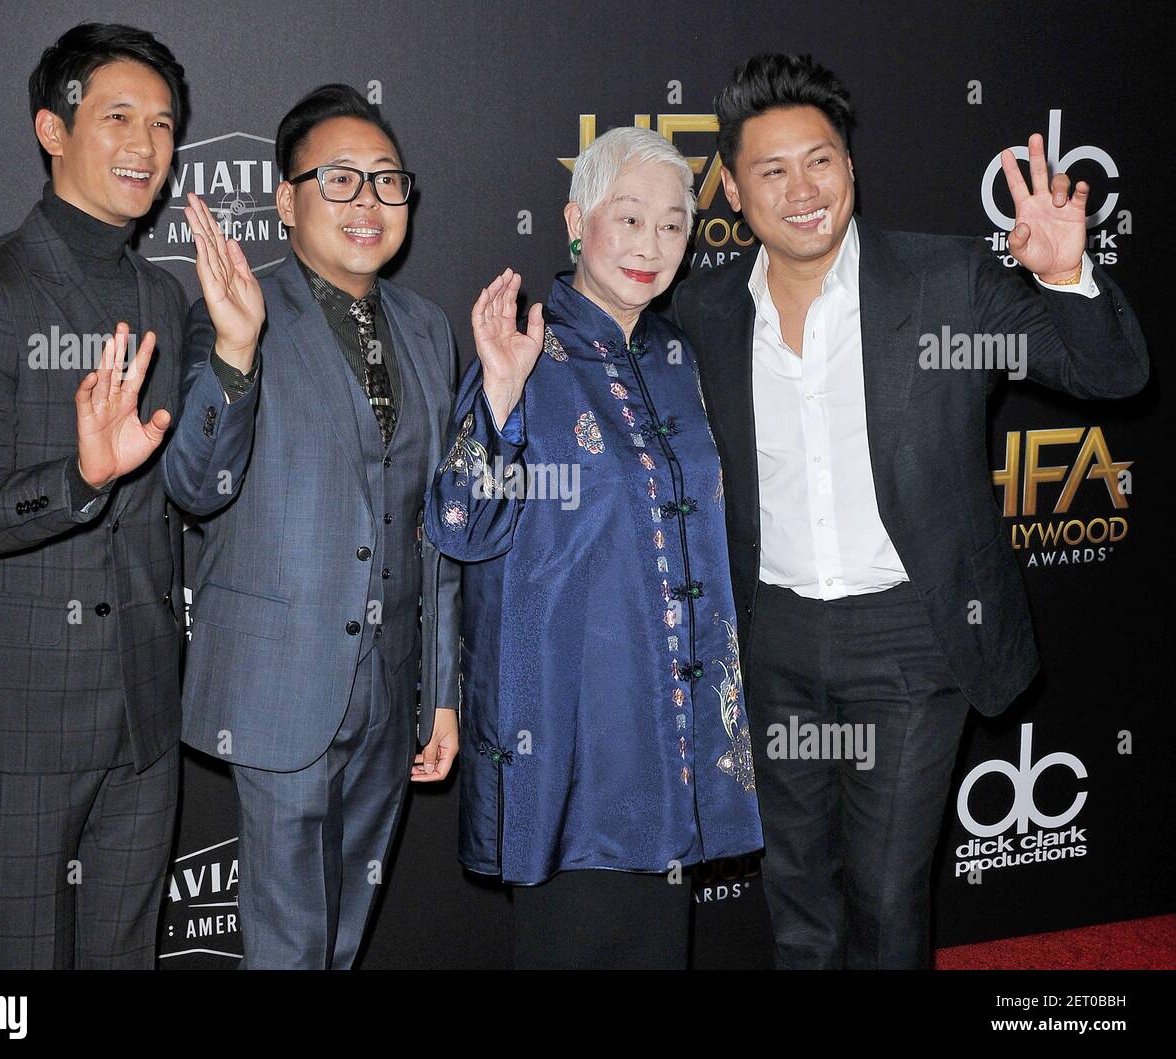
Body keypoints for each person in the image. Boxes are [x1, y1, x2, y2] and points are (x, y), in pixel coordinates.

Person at [672, 53, 1149, 969]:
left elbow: (1112, 372)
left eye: (821, 159)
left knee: (887, 895)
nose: (802, 188)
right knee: (798, 893)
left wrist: (1068, 275)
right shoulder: (702, 314)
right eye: (771, 170)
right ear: (731, 186)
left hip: (909, 638)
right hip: (770, 640)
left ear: (851, 166)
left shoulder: (944, 281)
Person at [425, 127, 763, 970]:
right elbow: (459, 525)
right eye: (629, 218)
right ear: (576, 219)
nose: (652, 246)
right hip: (570, 741)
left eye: (674, 225)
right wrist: (498, 400)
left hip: (670, 731)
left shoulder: (682, 355)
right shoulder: (526, 351)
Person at [161, 84, 460, 970]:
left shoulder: (427, 328)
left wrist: (440, 687)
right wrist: (236, 354)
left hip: (389, 689)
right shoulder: (234, 310)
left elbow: (435, 525)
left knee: (341, 934)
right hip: (280, 682)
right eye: (339, 180)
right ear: (285, 200)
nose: (368, 202)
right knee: (288, 945)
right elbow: (194, 484)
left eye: (386, 180)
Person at [0, 23, 190, 969]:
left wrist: (234, 361)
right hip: (22, 714)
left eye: (162, 122)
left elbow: (191, 485)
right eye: (118, 116)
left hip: (147, 712)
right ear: (51, 128)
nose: (146, 144)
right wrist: (79, 479)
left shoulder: (165, 300)